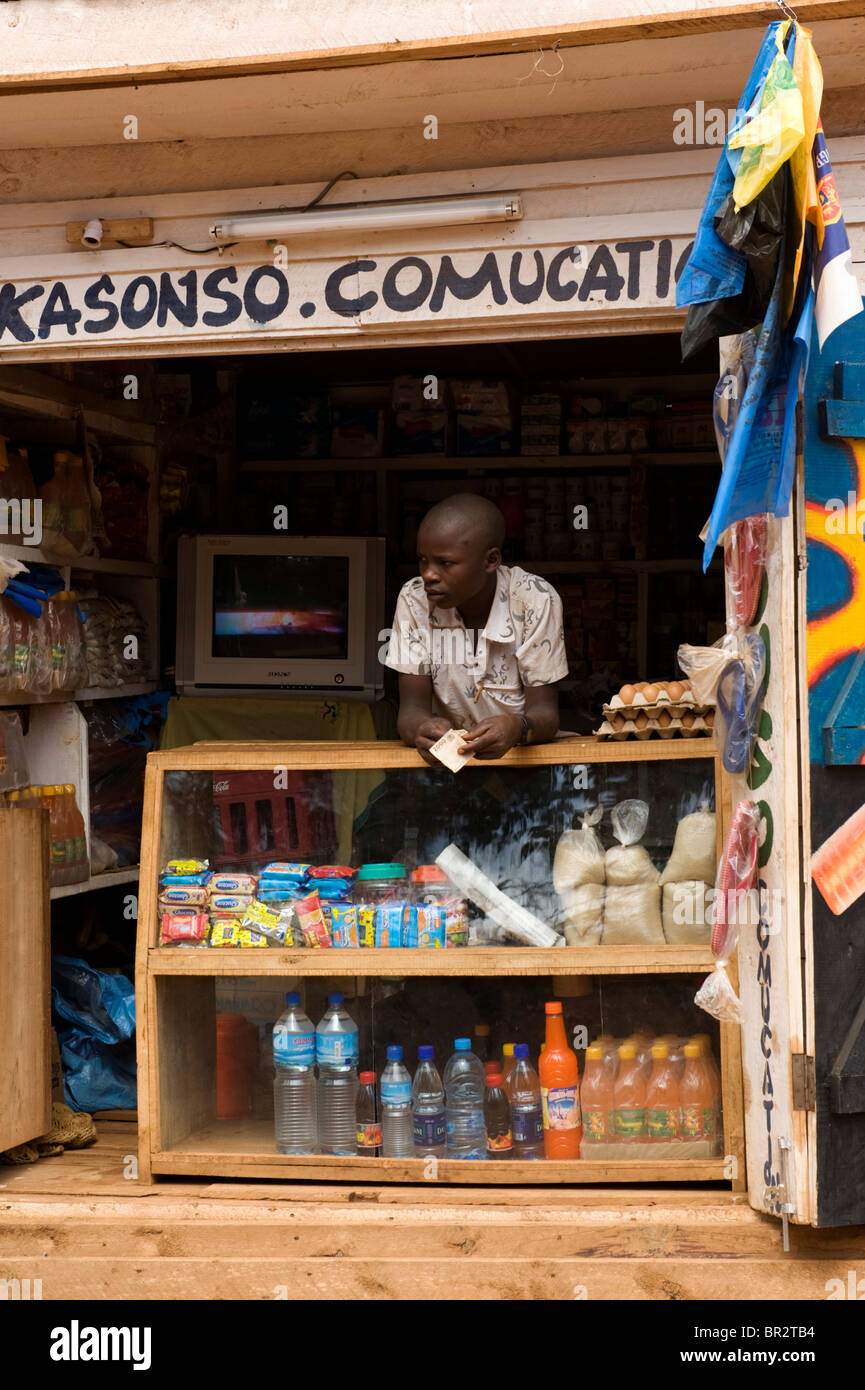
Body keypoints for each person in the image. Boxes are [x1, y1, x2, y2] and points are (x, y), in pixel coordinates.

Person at [385, 493, 568, 762]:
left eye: (445, 563)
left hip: (524, 764)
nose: (428, 574)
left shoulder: (534, 599)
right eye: (423, 559)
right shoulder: (414, 599)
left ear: (491, 561)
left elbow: (546, 715)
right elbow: (410, 713)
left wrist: (517, 727)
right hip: (448, 765)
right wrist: (422, 729)